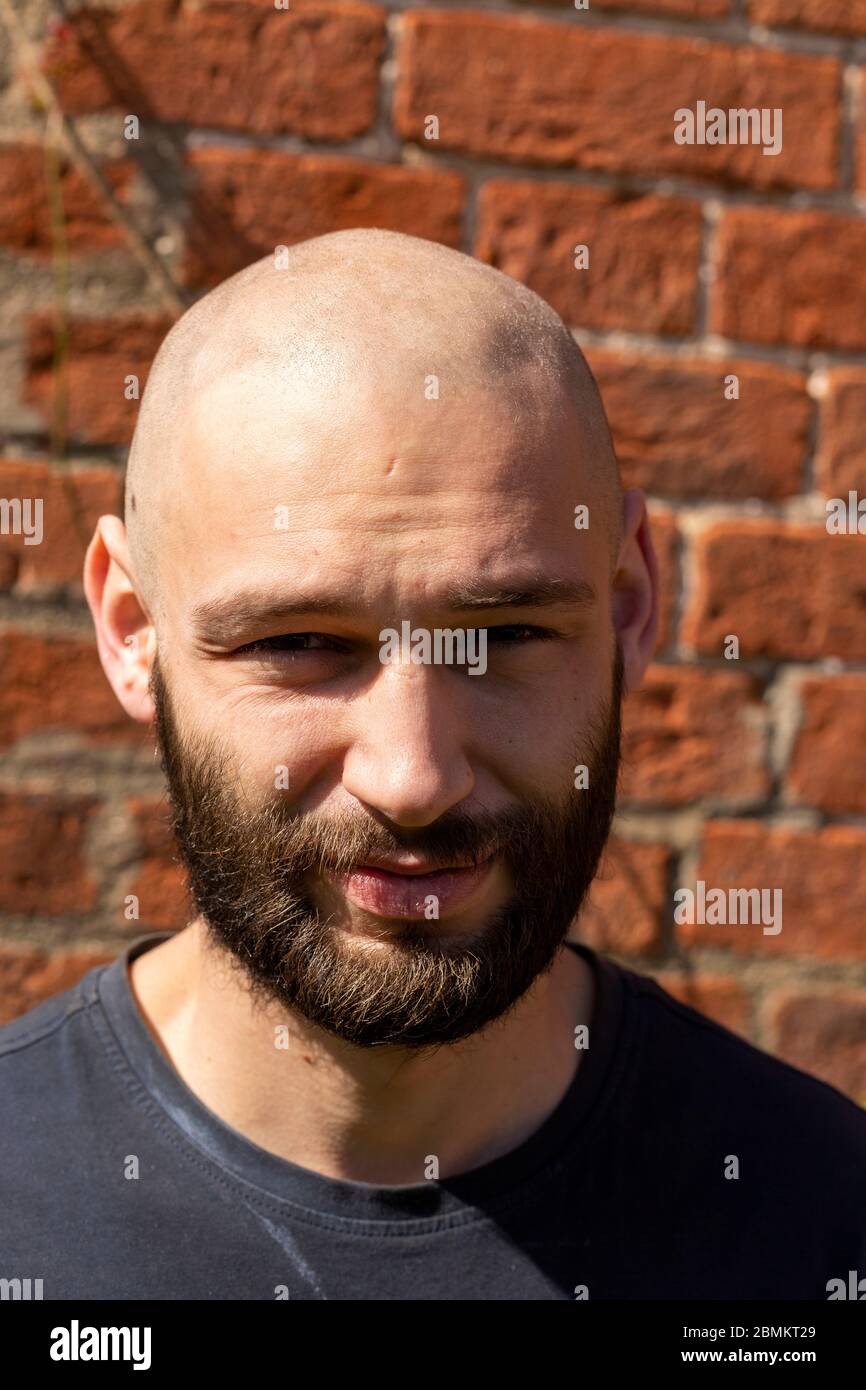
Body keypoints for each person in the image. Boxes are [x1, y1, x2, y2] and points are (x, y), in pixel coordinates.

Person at [1, 229, 863, 1300]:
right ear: (133, 630)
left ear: (629, 608)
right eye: (297, 643)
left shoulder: (821, 1227)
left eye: (502, 636)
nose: (412, 776)